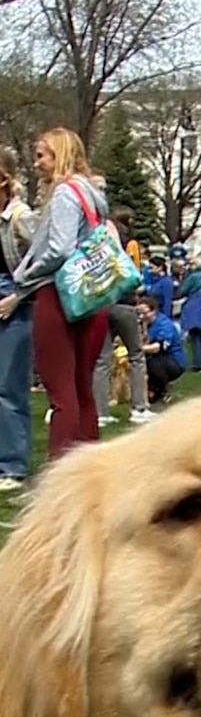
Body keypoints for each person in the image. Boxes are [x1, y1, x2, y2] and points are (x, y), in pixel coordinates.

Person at [0, 128, 109, 459]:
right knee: (81, 389)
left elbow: (60, 249)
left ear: (59, 155)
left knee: (61, 394)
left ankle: (59, 470)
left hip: (59, 295)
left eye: (41, 156)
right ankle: (88, 469)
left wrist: (25, 275)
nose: (36, 164)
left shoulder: (64, 193)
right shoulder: (91, 194)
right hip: (92, 296)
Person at [93, 206, 154, 427]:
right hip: (125, 303)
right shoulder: (130, 244)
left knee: (103, 360)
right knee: (136, 355)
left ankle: (100, 412)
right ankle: (139, 408)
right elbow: (134, 274)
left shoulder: (100, 241)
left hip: (103, 303)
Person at [0, 149, 37, 491]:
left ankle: (12, 466)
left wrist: (17, 296)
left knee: (9, 386)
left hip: (15, 300)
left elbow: (43, 262)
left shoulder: (20, 217)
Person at [137, 293, 185, 403]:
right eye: (139, 313)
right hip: (158, 357)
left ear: (153, 311)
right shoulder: (145, 324)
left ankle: (163, 389)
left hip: (173, 361)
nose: (142, 316)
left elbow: (159, 347)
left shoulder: (164, 324)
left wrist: (140, 348)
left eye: (144, 313)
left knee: (150, 362)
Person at [179, 249, 201, 372]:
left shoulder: (193, 277)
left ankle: (198, 363)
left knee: (195, 337)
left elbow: (183, 290)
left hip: (194, 306)